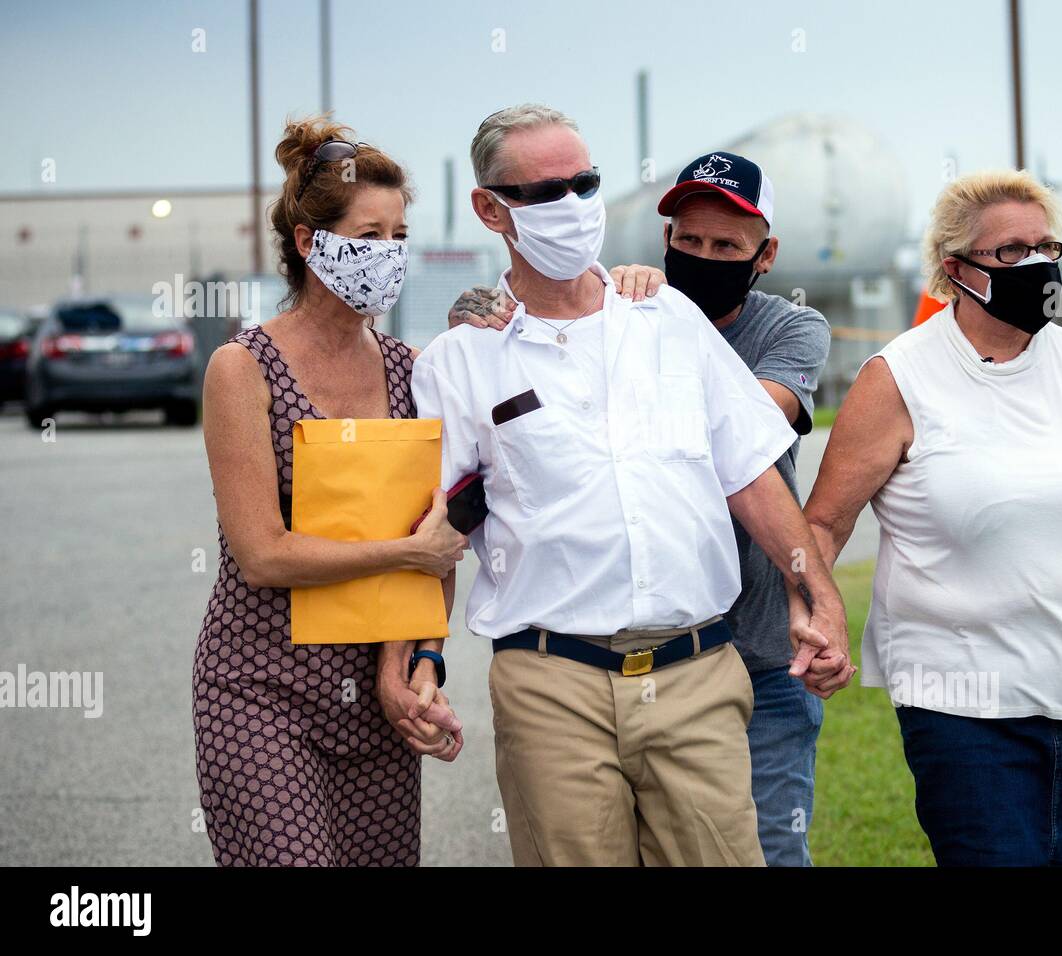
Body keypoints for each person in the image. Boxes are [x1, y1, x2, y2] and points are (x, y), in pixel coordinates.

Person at [413, 103, 850, 866]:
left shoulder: (671, 321)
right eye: (543, 192)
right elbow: (443, 529)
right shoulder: (457, 361)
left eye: (585, 184)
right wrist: (418, 659)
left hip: (696, 675)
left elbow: (750, 472)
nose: (573, 207)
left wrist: (821, 594)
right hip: (551, 684)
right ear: (490, 209)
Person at [797, 169, 1062, 867]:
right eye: (1012, 251)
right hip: (961, 708)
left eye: (1047, 248)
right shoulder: (899, 376)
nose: (1037, 265)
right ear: (955, 268)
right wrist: (824, 613)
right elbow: (821, 525)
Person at [193, 116, 468, 867]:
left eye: (399, 236)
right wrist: (408, 551)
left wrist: (409, 665)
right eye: (369, 236)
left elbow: (438, 541)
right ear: (312, 243)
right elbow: (263, 555)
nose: (388, 255)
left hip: (376, 700)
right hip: (261, 691)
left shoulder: (413, 370)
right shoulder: (242, 370)